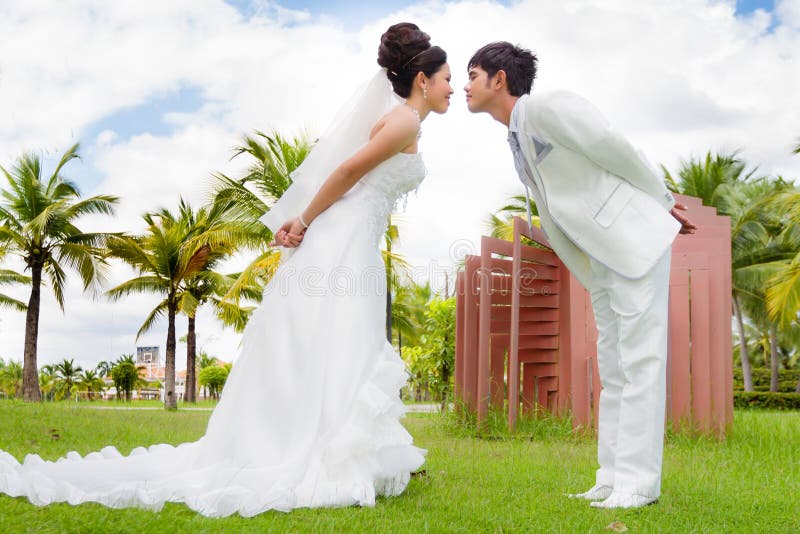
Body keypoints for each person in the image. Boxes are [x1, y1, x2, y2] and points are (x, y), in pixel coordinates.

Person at [0, 22, 453, 518]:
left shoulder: (403, 120)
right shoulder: (405, 121)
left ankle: (342, 451)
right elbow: (344, 172)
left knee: (339, 344)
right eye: (448, 77)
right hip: (343, 240)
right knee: (337, 341)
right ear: (423, 79)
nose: (451, 88)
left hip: (355, 239)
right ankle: (317, 453)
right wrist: (301, 220)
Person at [464, 42, 696, 509]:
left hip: (631, 241)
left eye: (472, 75)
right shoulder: (517, 133)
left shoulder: (547, 107)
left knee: (640, 364)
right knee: (615, 367)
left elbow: (611, 144)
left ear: (499, 80)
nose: (466, 86)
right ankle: (610, 478)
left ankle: (638, 484)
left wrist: (663, 199)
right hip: (601, 255)